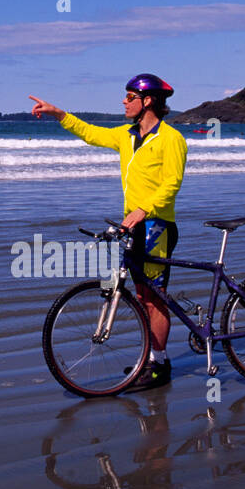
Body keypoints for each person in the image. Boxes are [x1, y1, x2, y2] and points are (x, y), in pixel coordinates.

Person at [30, 75, 187, 389]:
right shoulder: (126, 136)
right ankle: (153, 360)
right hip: (133, 225)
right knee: (142, 296)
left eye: (130, 97)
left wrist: (145, 209)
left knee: (153, 299)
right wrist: (59, 114)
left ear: (148, 101)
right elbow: (91, 134)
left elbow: (172, 184)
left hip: (156, 226)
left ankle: (159, 365)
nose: (124, 102)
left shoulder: (172, 139)